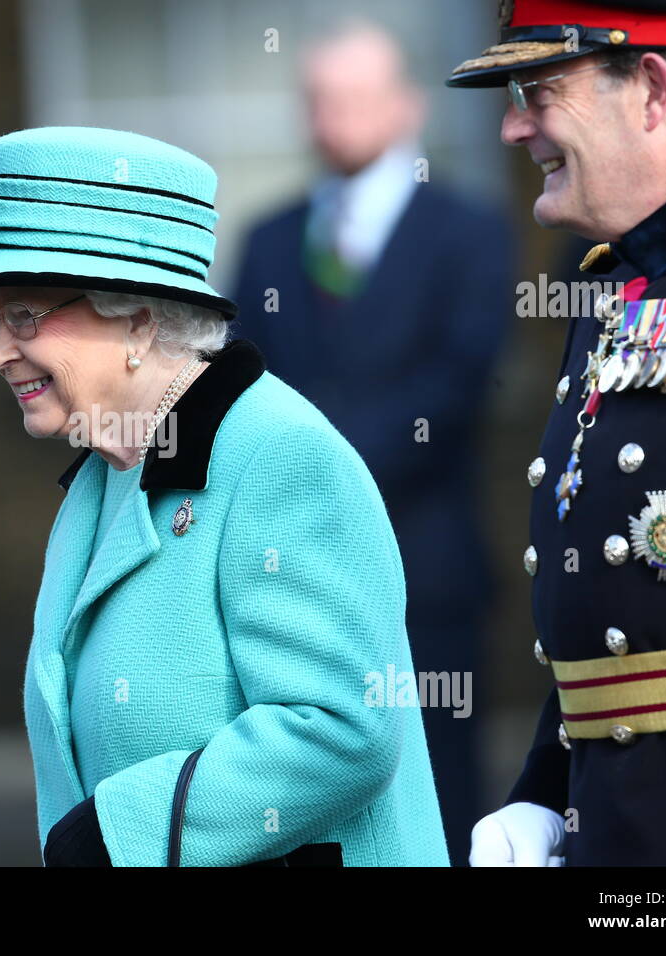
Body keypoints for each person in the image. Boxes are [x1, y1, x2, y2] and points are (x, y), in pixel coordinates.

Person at [0, 125, 449, 866]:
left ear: (137, 318)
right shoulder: (104, 475)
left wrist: (123, 830)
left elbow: (346, 725)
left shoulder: (279, 455)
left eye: (24, 315)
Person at [446, 0, 666, 865]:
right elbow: (625, 621)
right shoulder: (619, 286)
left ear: (656, 89)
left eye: (538, 90)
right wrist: (544, 795)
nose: (516, 128)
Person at [233, 22, 515, 866]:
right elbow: (242, 380)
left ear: (404, 107)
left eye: (355, 97)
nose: (333, 117)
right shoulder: (270, 237)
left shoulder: (469, 231)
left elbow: (461, 383)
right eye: (317, 99)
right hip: (286, 572)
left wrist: (316, 470)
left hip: (423, 568)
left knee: (436, 784)